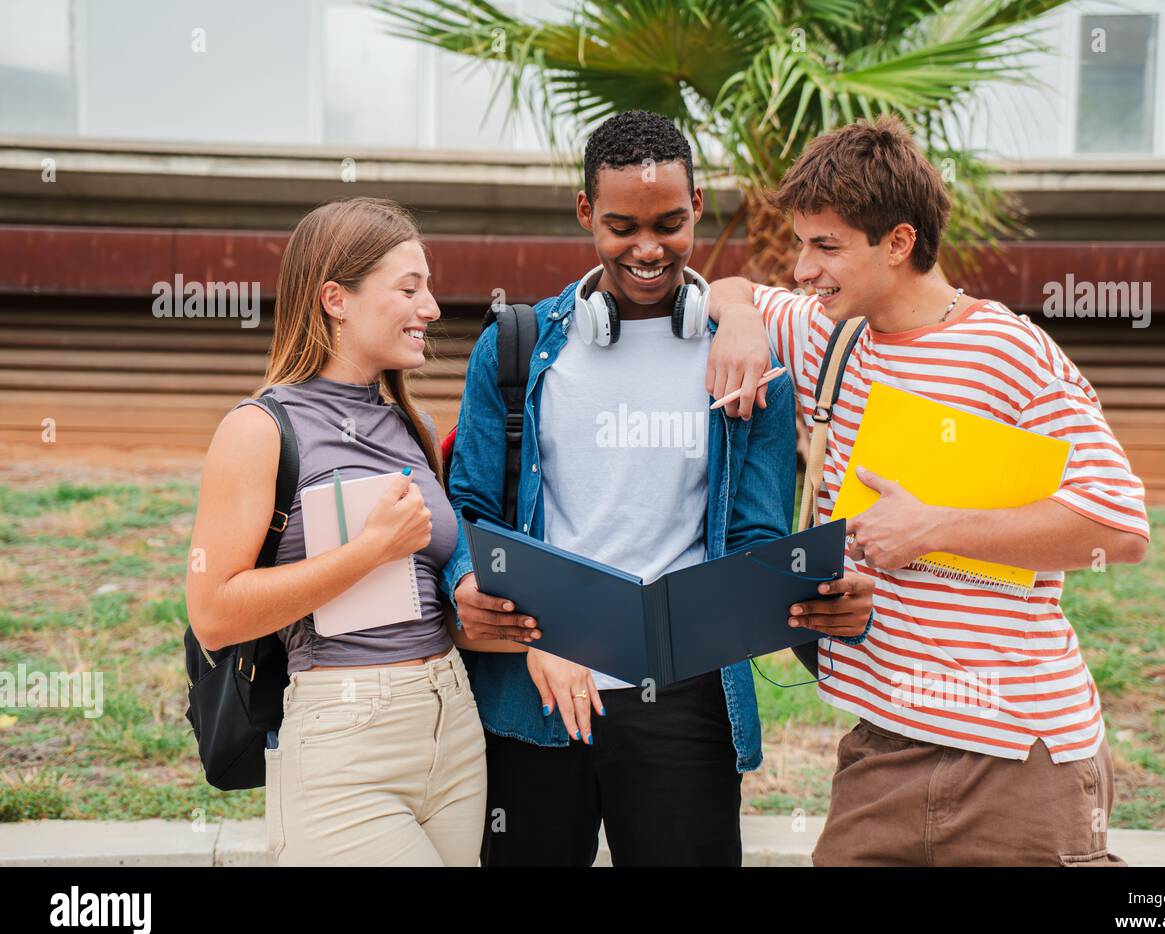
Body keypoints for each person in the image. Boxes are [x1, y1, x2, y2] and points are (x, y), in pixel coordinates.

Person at [705, 116, 1149, 866]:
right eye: (802, 243)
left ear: (899, 243)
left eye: (825, 246)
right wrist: (743, 319)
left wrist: (933, 528)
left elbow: (1119, 528)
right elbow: (723, 286)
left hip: (1018, 756)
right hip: (882, 747)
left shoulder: (1009, 352)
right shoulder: (828, 334)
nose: (804, 268)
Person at [442, 110, 874, 866]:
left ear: (698, 207)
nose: (648, 248)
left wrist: (804, 589)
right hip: (536, 688)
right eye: (621, 226)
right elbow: (470, 507)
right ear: (586, 215)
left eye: (670, 224)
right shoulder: (514, 345)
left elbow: (755, 535)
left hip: (687, 695)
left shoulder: (748, 359)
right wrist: (478, 588)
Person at [186, 197, 486, 866]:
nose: (431, 308)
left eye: (429, 288)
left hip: (451, 724)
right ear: (335, 299)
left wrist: (475, 608)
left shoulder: (408, 423)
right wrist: (368, 551)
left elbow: (423, 588)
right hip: (344, 739)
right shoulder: (258, 430)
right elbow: (213, 616)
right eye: (409, 289)